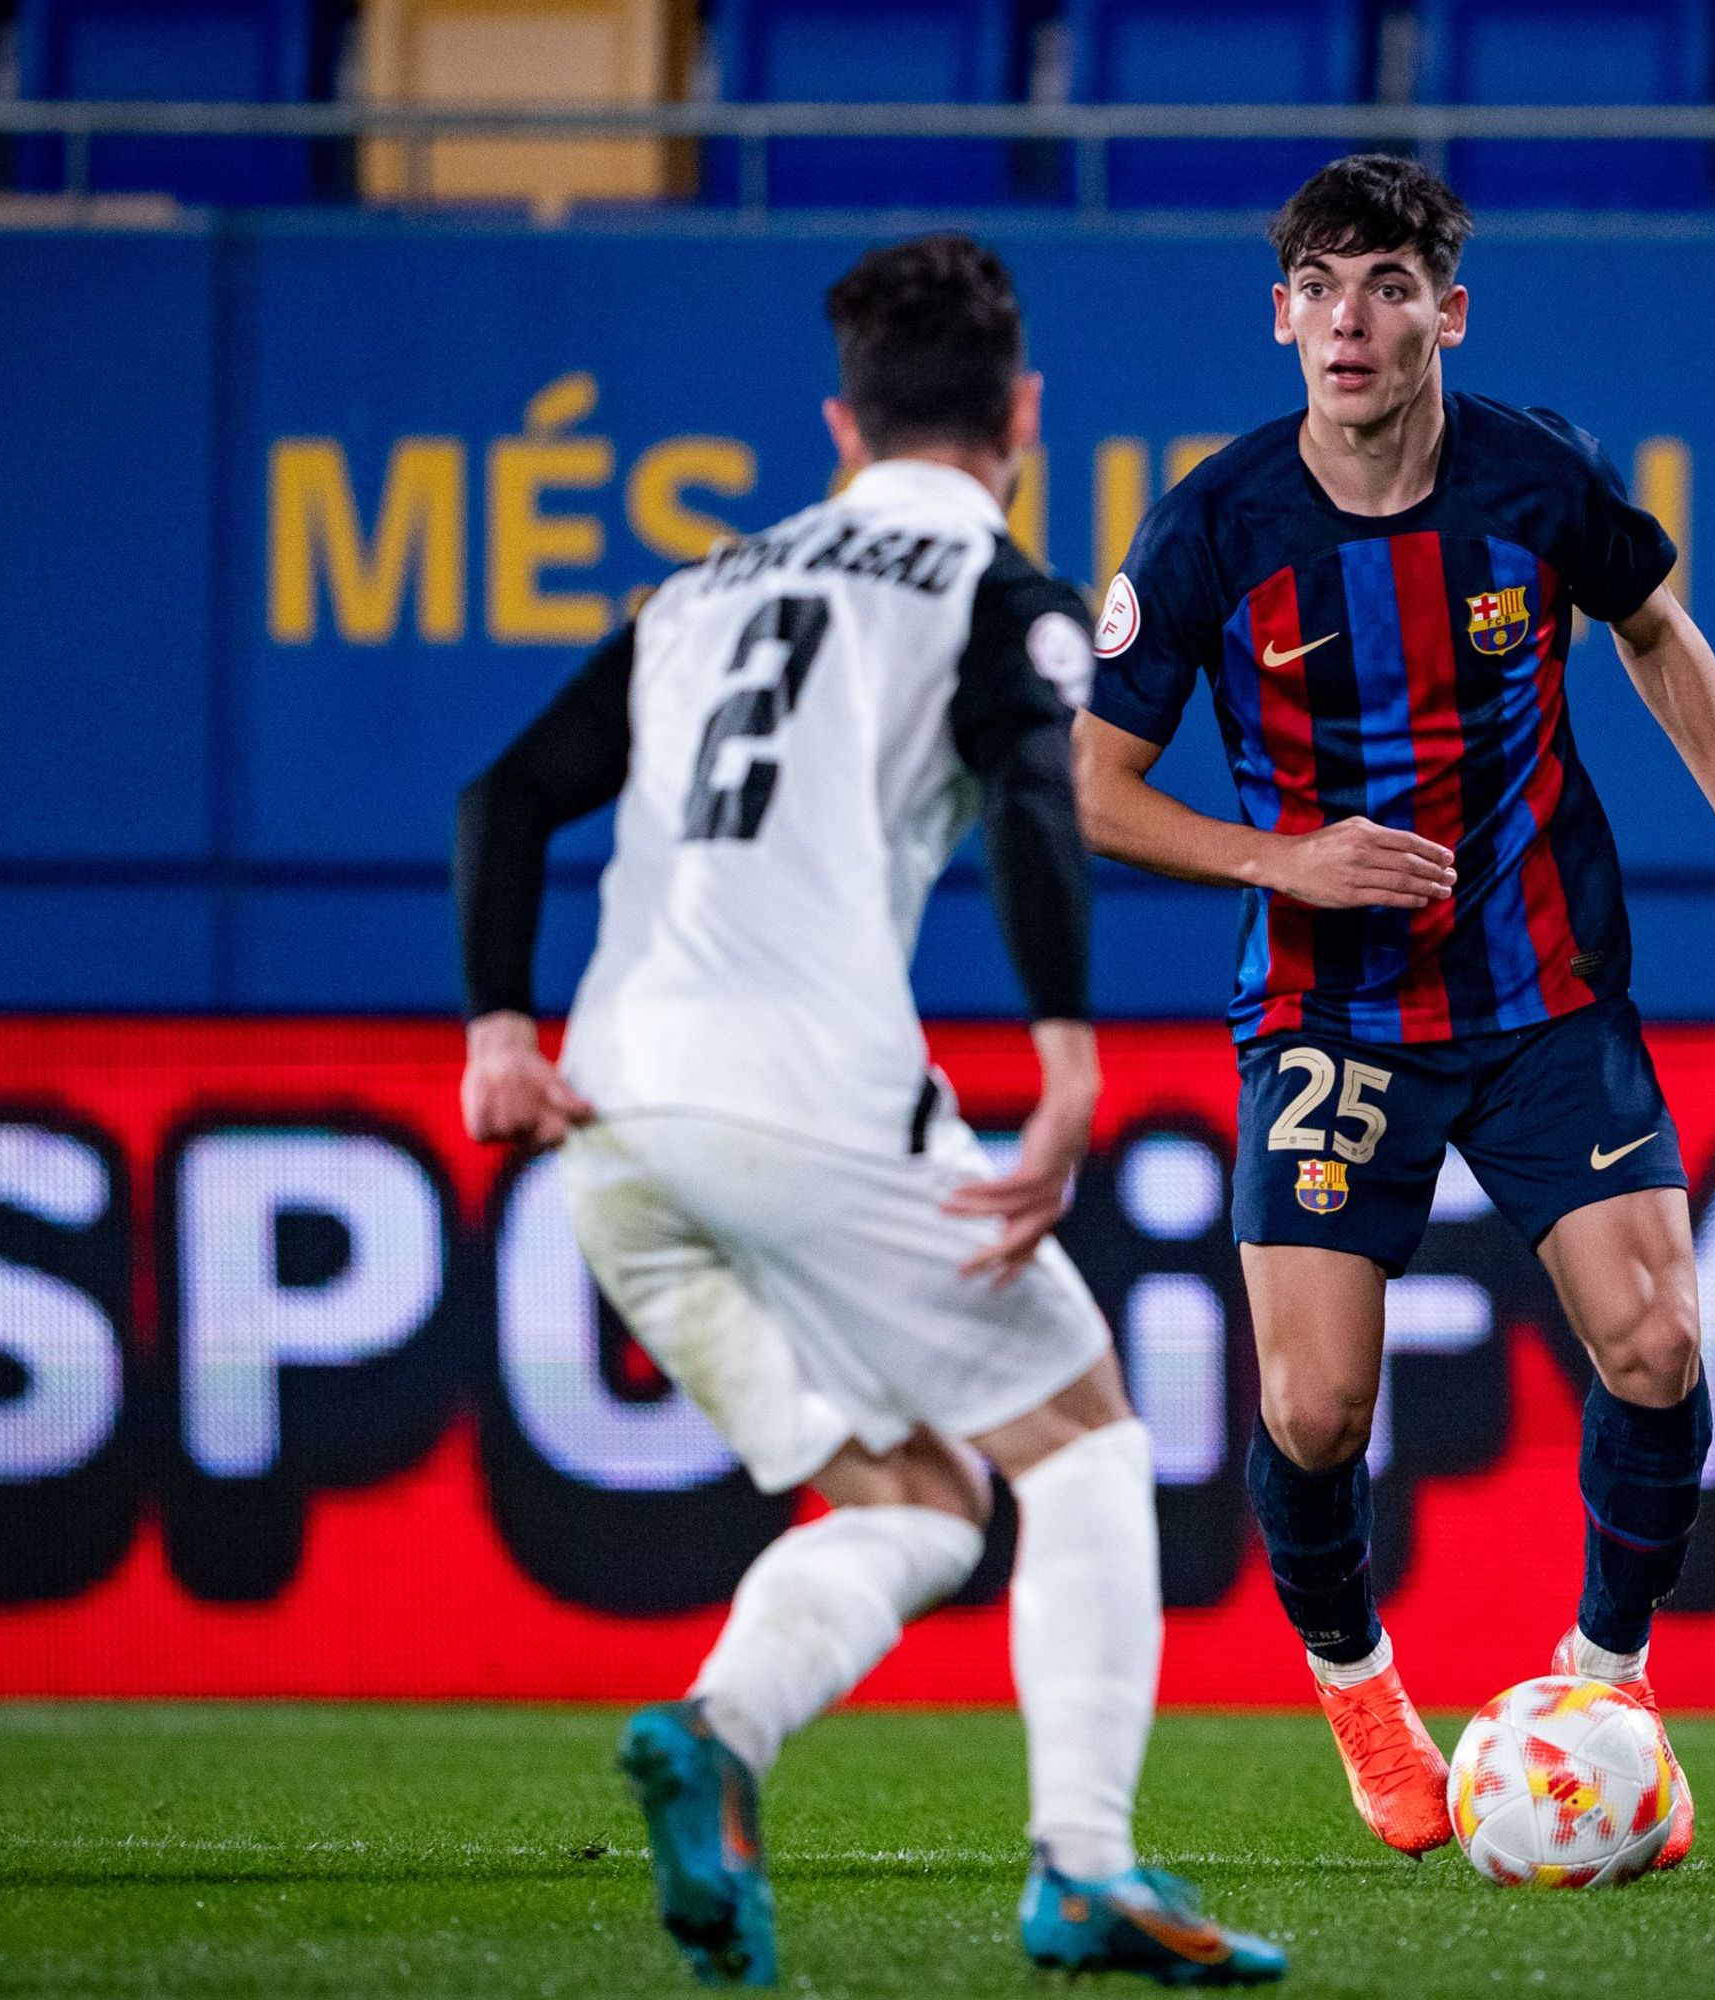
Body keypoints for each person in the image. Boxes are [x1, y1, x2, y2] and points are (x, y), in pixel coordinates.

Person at [453, 232, 1282, 1988]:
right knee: (1087, 1441)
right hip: (805, 1105)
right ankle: (1085, 1866)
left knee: (921, 1499)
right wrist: (1068, 1063)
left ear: (841, 421)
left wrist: (496, 1033)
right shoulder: (995, 588)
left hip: (610, 1129)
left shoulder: (696, 591)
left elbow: (508, 796)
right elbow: (1044, 801)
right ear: (1025, 416)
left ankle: (721, 1736)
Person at [1073, 156, 1715, 1860]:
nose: (1349, 321)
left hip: (1539, 996)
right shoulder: (1213, 525)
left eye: (1385, 285)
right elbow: (1091, 787)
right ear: (1279, 312)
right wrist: (1280, 859)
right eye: (1319, 286)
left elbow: (1659, 630)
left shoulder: (1535, 477)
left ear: (1451, 307)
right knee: (1312, 1411)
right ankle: (1362, 1689)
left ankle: (1608, 1672)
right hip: (1328, 1015)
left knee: (1657, 1347)